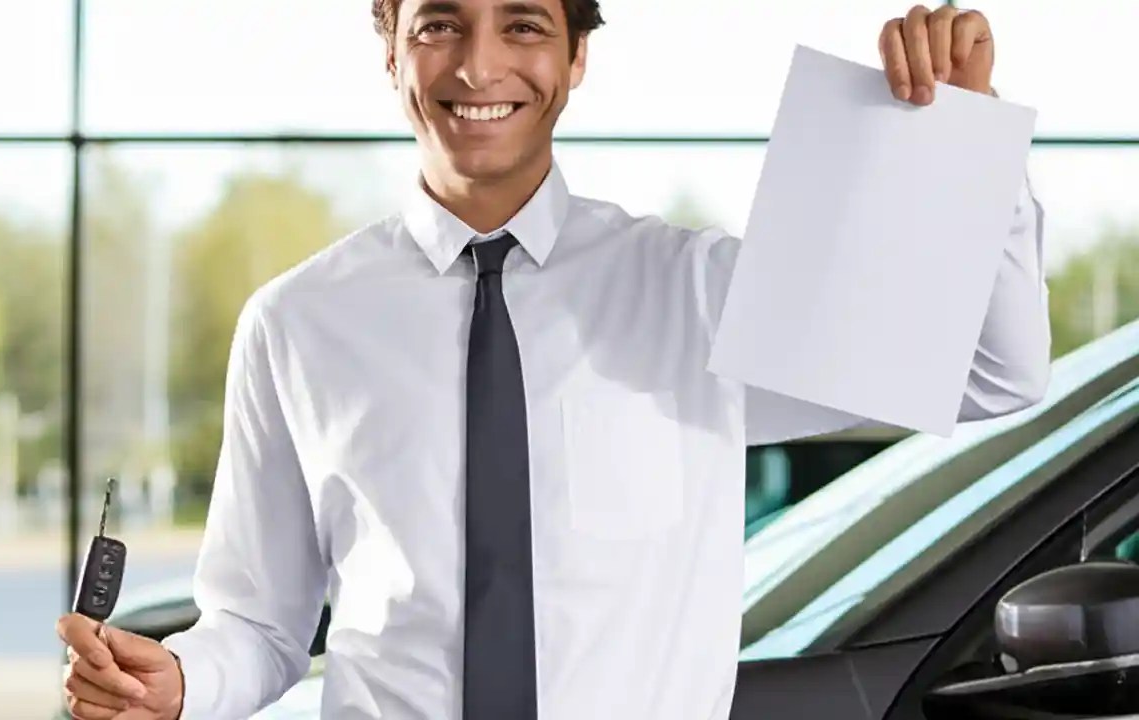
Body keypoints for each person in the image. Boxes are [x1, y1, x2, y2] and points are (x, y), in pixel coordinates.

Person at [56, 2, 1051, 718]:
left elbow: (991, 374)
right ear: (390, 45)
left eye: (523, 24)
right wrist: (184, 682)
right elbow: (262, 626)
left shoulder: (696, 294)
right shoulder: (298, 322)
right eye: (439, 23)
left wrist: (972, 152)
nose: (479, 66)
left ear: (577, 57)